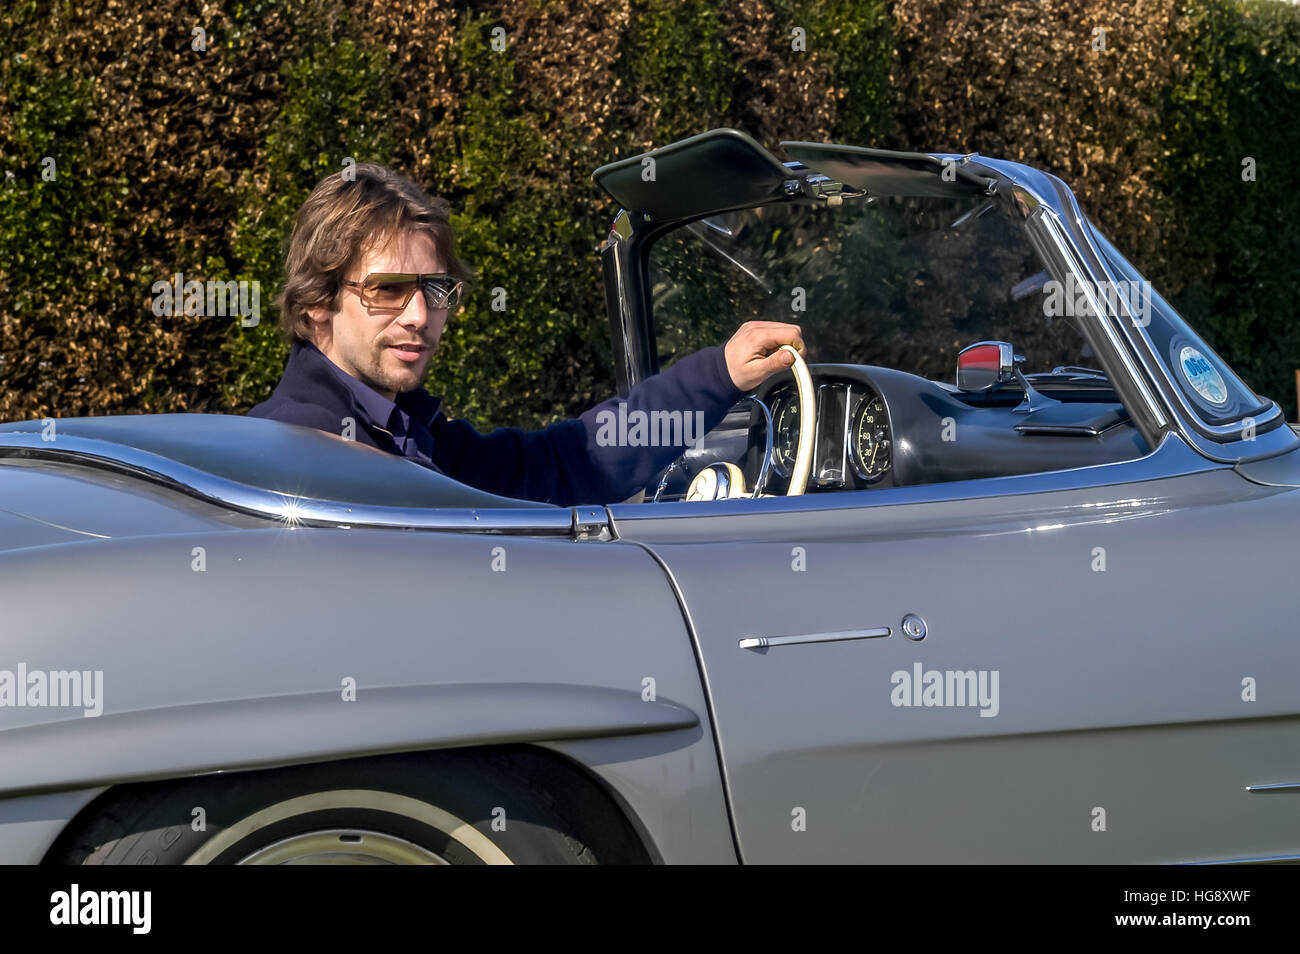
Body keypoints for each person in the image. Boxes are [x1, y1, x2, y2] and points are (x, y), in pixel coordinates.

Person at [249, 163, 804, 506]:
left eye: (437, 290)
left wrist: (719, 373)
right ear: (316, 303)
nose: (419, 315)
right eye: (387, 289)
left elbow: (564, 464)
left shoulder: (404, 432)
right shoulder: (301, 459)